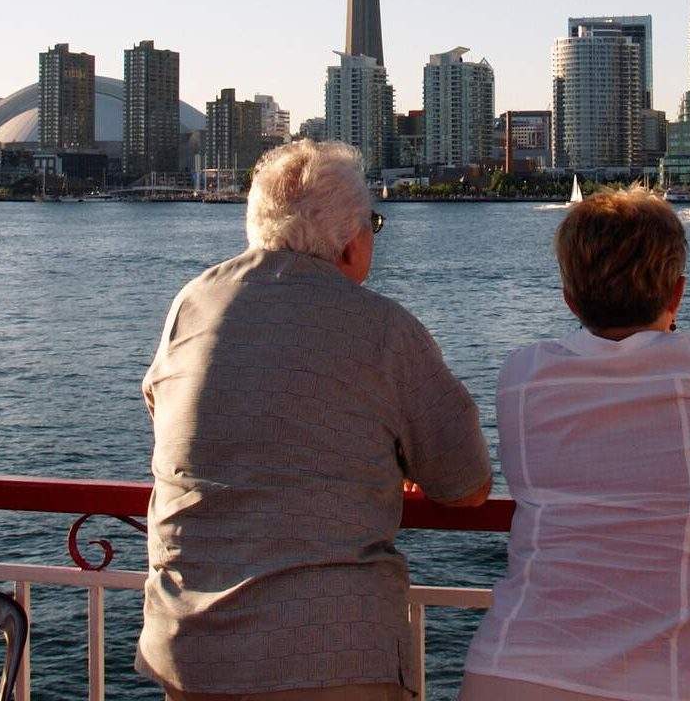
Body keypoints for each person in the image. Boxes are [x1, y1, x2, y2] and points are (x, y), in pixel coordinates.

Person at [137, 139, 493, 701]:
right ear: (350, 241)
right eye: (374, 223)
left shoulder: (194, 301)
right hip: (330, 653)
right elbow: (467, 484)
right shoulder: (382, 329)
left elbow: (165, 408)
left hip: (192, 650)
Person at [462, 187, 690, 701]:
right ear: (677, 292)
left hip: (512, 672)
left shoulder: (522, 376)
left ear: (570, 297)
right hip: (679, 683)